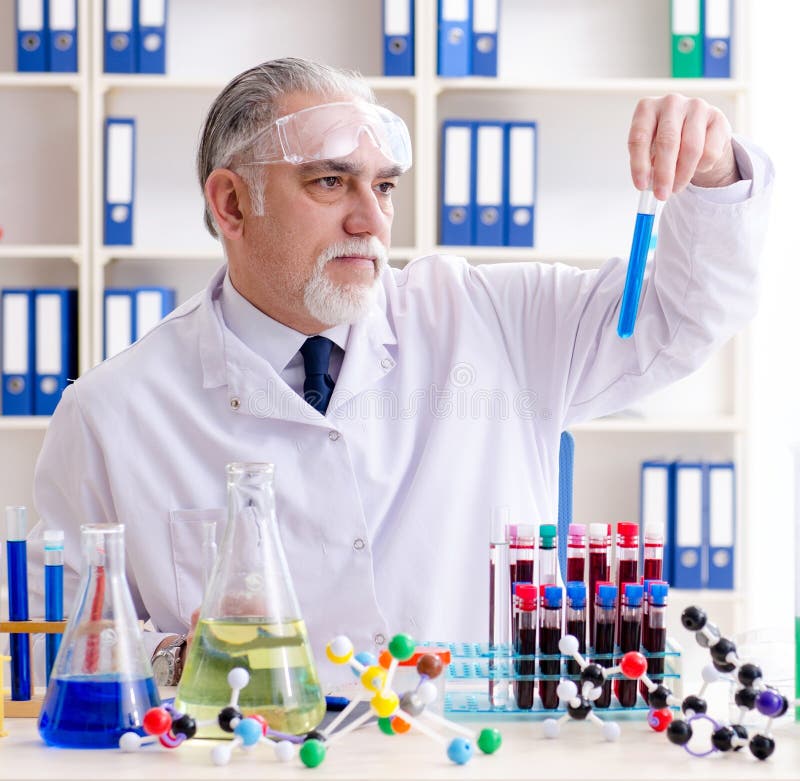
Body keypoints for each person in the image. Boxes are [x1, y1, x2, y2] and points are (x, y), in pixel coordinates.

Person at [30, 58, 772, 686]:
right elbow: (54, 634)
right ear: (231, 203)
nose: (371, 220)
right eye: (330, 183)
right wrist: (174, 656)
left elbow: (682, 317)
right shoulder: (111, 412)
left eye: (383, 186)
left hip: (478, 755)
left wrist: (712, 171)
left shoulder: (493, 319)